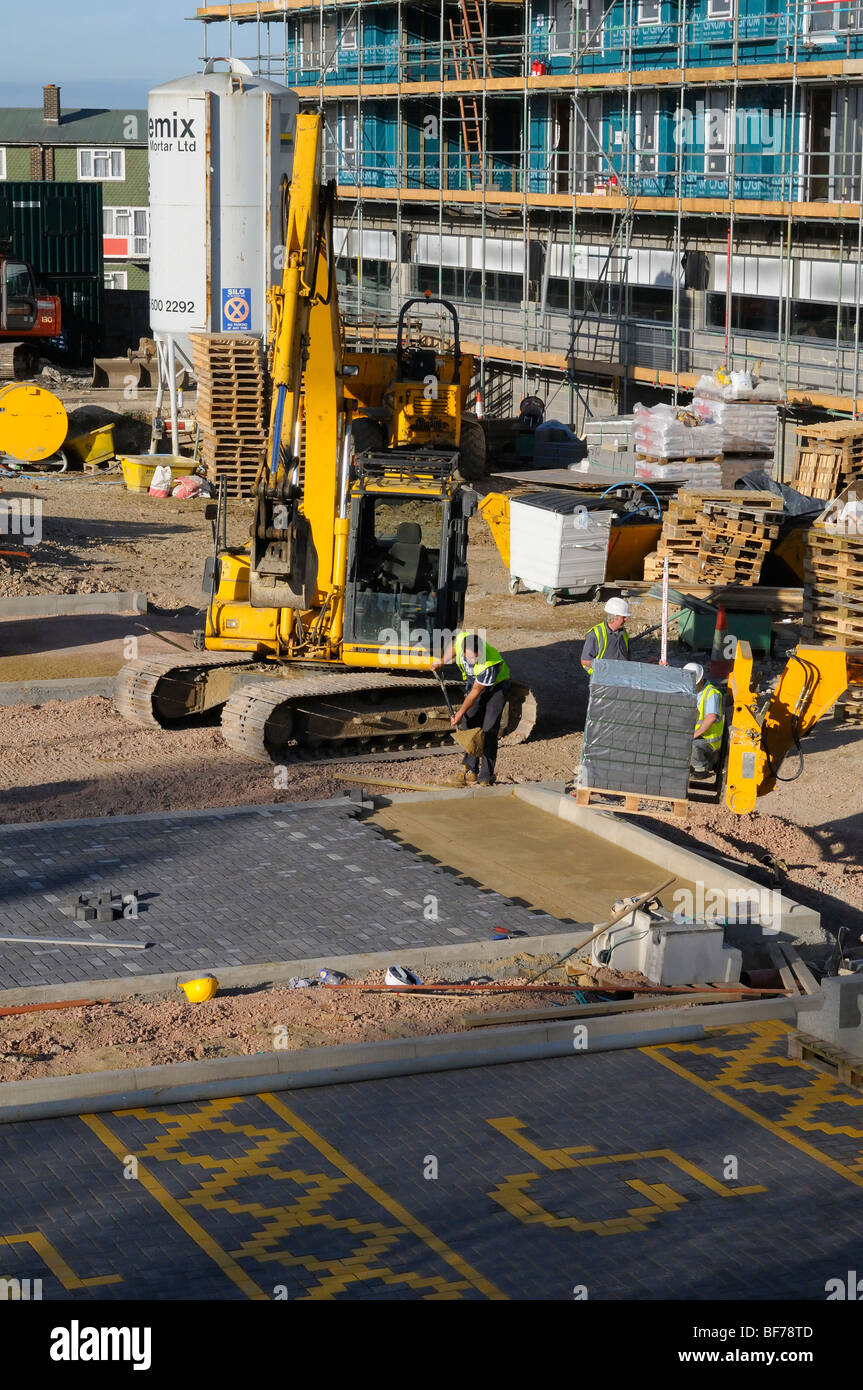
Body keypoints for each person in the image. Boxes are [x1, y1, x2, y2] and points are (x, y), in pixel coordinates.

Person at [432, 629, 511, 787]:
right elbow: (455, 645)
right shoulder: (463, 641)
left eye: (475, 657)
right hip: (475, 685)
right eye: (468, 656)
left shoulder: (489, 664)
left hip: (496, 689)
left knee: (488, 730)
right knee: (469, 724)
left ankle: (486, 777)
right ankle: (469, 771)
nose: (472, 659)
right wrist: (441, 661)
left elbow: (475, 691)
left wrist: (460, 713)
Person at [684, 661, 725, 774]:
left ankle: (701, 769)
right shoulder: (694, 691)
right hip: (699, 734)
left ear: (700, 680)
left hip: (709, 740)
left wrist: (693, 735)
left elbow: (711, 718)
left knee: (692, 744)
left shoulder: (712, 694)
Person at [581, 597, 632, 675]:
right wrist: (606, 667)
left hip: (622, 675)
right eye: (623, 617)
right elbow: (585, 661)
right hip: (603, 677)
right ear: (613, 618)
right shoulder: (595, 635)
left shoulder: (623, 632)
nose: (626, 619)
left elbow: (627, 654)